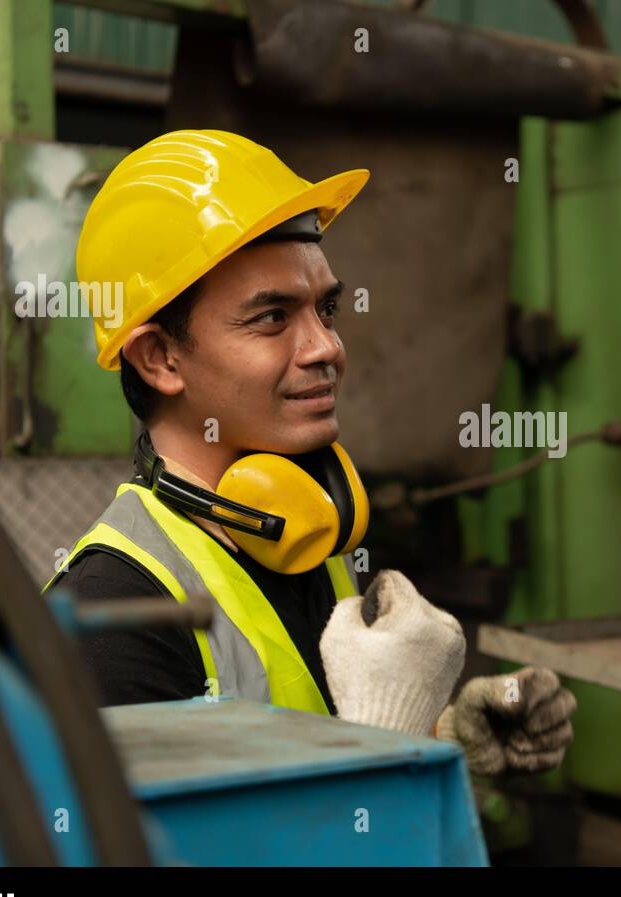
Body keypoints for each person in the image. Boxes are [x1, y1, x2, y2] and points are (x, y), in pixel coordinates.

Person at [46, 129, 575, 774]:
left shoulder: (299, 532)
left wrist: (440, 739)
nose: (327, 347)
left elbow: (307, 741)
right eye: (272, 317)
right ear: (160, 358)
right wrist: (386, 742)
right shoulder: (112, 620)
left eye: (326, 309)